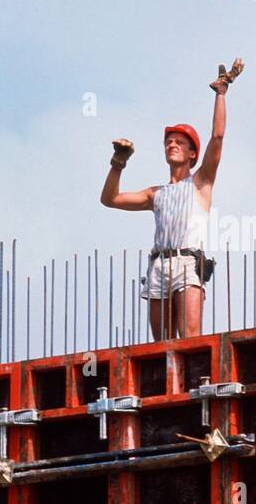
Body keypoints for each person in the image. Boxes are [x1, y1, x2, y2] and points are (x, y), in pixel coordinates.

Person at [100, 59, 244, 338]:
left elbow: (218, 137)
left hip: (188, 263)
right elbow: (110, 199)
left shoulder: (200, 182)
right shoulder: (156, 194)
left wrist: (221, 94)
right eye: (169, 141)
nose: (172, 144)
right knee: (161, 344)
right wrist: (117, 164)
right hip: (159, 264)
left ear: (192, 154)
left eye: (179, 142)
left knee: (189, 338)